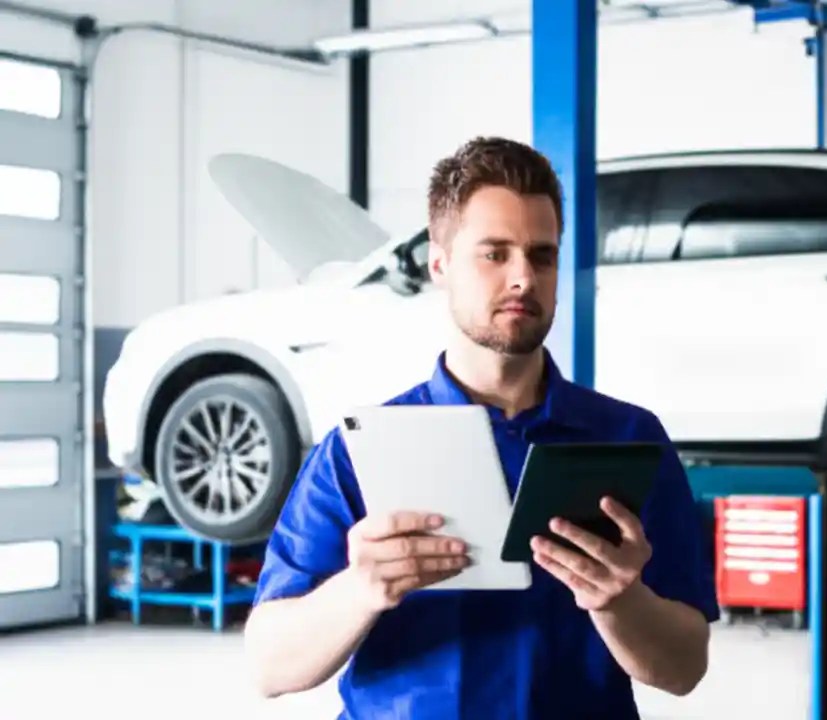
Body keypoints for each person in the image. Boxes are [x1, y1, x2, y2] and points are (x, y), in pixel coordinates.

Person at [243, 136, 719, 719]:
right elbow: (269, 666)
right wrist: (361, 589)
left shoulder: (627, 439)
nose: (523, 278)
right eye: (494, 254)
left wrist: (621, 601)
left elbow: (684, 670)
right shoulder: (360, 451)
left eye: (541, 256)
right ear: (439, 265)